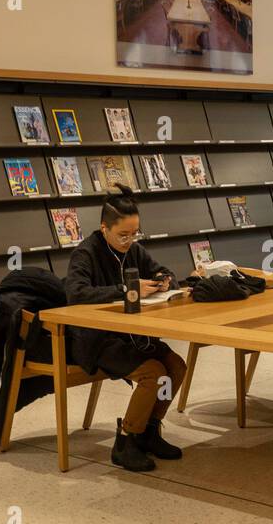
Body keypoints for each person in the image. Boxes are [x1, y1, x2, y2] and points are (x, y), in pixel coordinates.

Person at [65, 185, 186, 472]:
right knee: (153, 373)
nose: (130, 240)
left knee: (177, 367)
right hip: (98, 339)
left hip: (134, 334)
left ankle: (149, 430)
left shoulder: (135, 250)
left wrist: (163, 280)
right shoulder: (85, 254)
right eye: (123, 234)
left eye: (135, 234)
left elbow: (166, 272)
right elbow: (76, 293)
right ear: (103, 228)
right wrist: (126, 290)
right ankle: (126, 440)